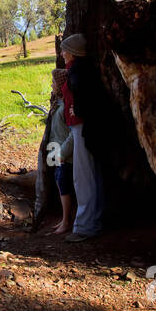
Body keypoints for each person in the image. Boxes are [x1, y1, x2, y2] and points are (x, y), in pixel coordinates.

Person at [56, 33, 104, 241]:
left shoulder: (77, 71)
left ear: (73, 51)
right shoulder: (79, 69)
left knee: (83, 178)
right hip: (85, 128)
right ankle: (93, 221)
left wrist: (79, 111)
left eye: (65, 49)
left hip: (82, 128)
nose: (62, 53)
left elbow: (83, 95)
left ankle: (85, 227)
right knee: (92, 176)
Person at [45, 94, 75, 236]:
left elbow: (72, 134)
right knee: (59, 181)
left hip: (64, 154)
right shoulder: (58, 105)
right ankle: (65, 218)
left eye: (54, 82)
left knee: (64, 185)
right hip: (56, 150)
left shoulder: (65, 107)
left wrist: (63, 153)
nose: (52, 85)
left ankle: (66, 221)